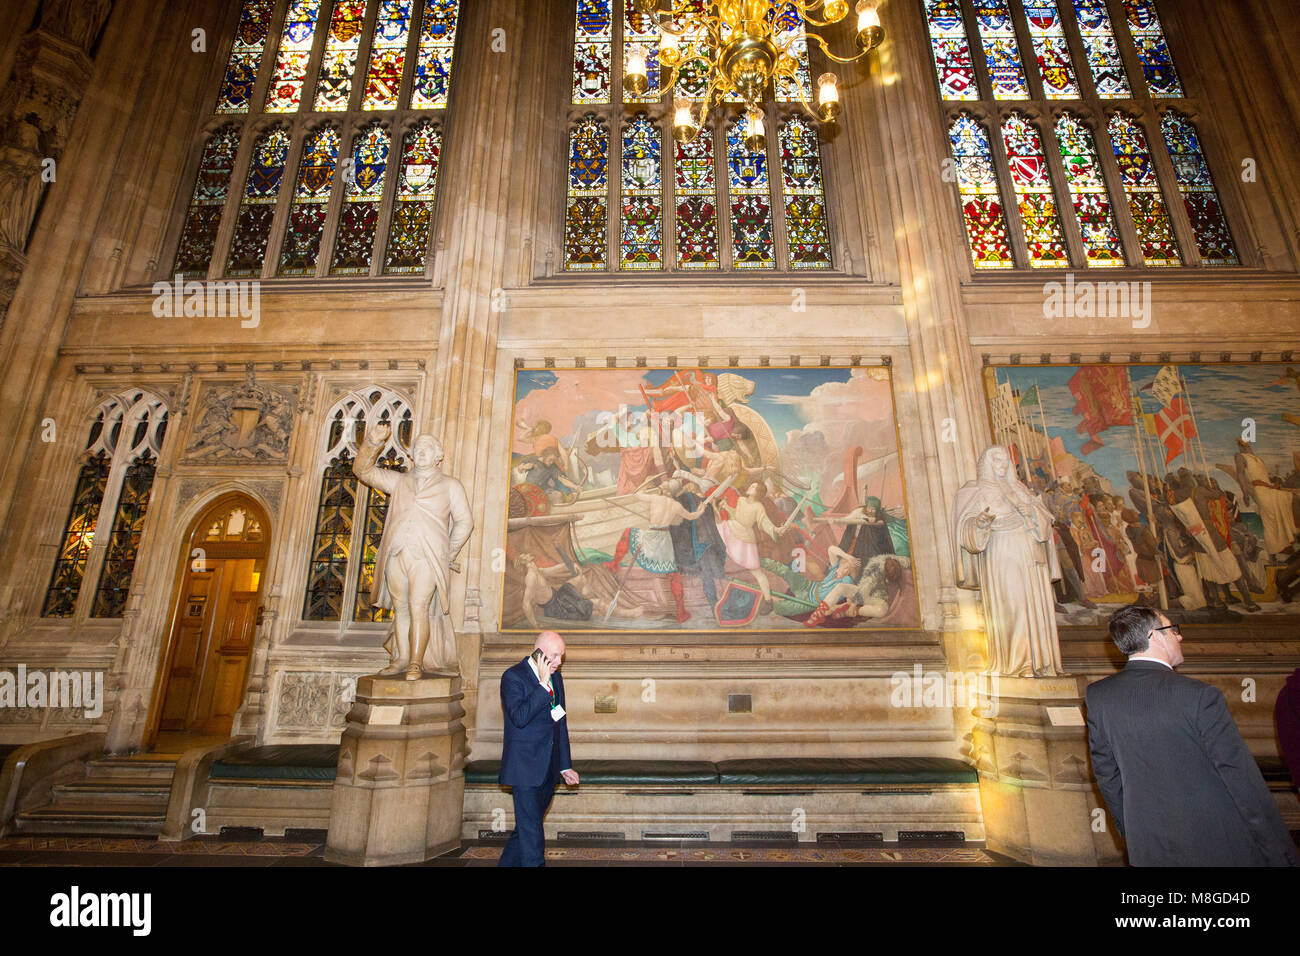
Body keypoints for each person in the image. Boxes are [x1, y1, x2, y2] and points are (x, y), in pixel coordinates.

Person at [1086, 604, 1297, 866]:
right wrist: (1280, 853)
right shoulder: (1199, 696)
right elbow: (1240, 779)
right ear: (1154, 636)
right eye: (1173, 629)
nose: (1180, 636)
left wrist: (1134, 833)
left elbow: (1107, 775)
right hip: (1214, 844)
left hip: (1148, 846)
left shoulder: (1099, 696)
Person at [354, 423, 473, 678]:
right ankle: (402, 658)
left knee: (419, 607)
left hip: (427, 556)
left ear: (438, 455)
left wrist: (448, 553)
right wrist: (372, 442)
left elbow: (465, 522)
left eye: (427, 448)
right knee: (401, 609)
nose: (421, 451)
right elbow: (363, 471)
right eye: (417, 447)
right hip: (397, 552)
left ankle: (416, 662)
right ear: (411, 454)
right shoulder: (399, 481)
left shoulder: (450, 485)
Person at [498, 631, 579, 867]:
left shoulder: (557, 678)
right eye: (555, 656)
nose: (559, 662)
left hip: (548, 769)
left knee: (526, 829)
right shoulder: (513, 677)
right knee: (532, 835)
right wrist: (543, 686)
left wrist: (564, 766)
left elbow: (560, 722)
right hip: (524, 769)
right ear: (539, 654)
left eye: (561, 656)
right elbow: (520, 717)